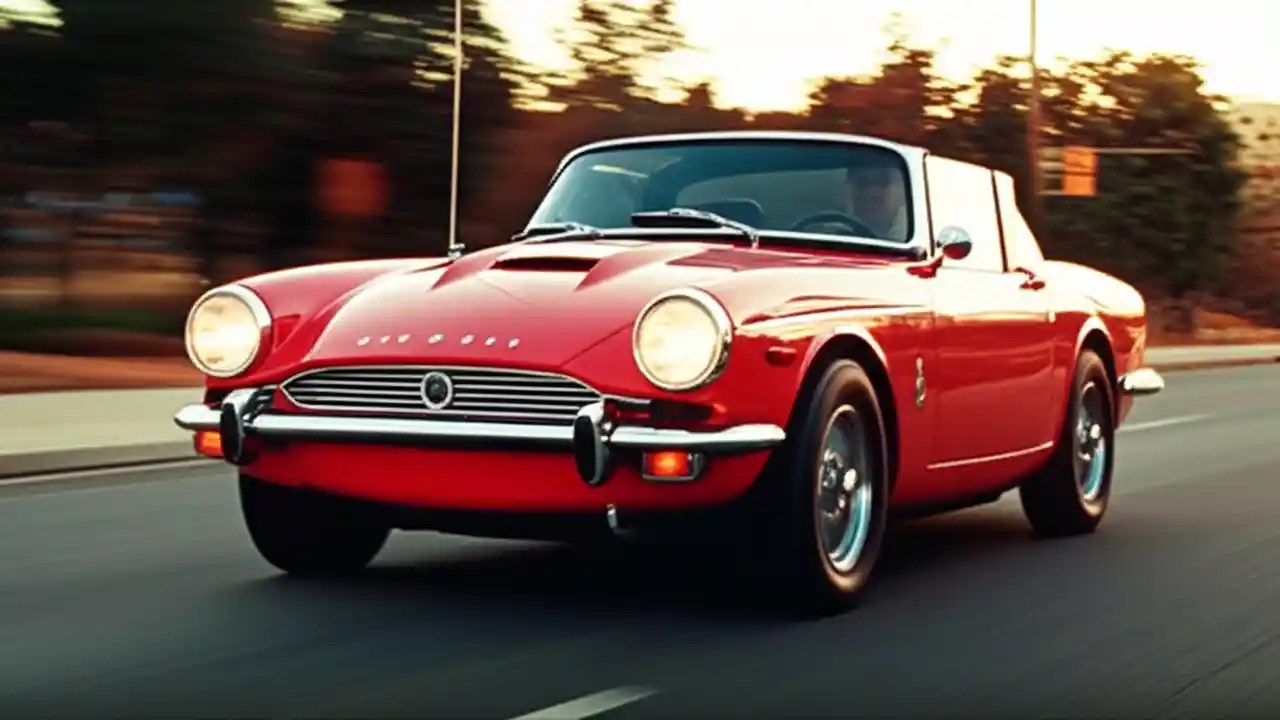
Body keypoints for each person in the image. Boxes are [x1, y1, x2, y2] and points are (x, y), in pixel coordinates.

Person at [842, 162, 909, 242]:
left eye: (882, 182)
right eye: (862, 183)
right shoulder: (831, 234)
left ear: (902, 192)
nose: (871, 192)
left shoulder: (921, 233)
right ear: (848, 192)